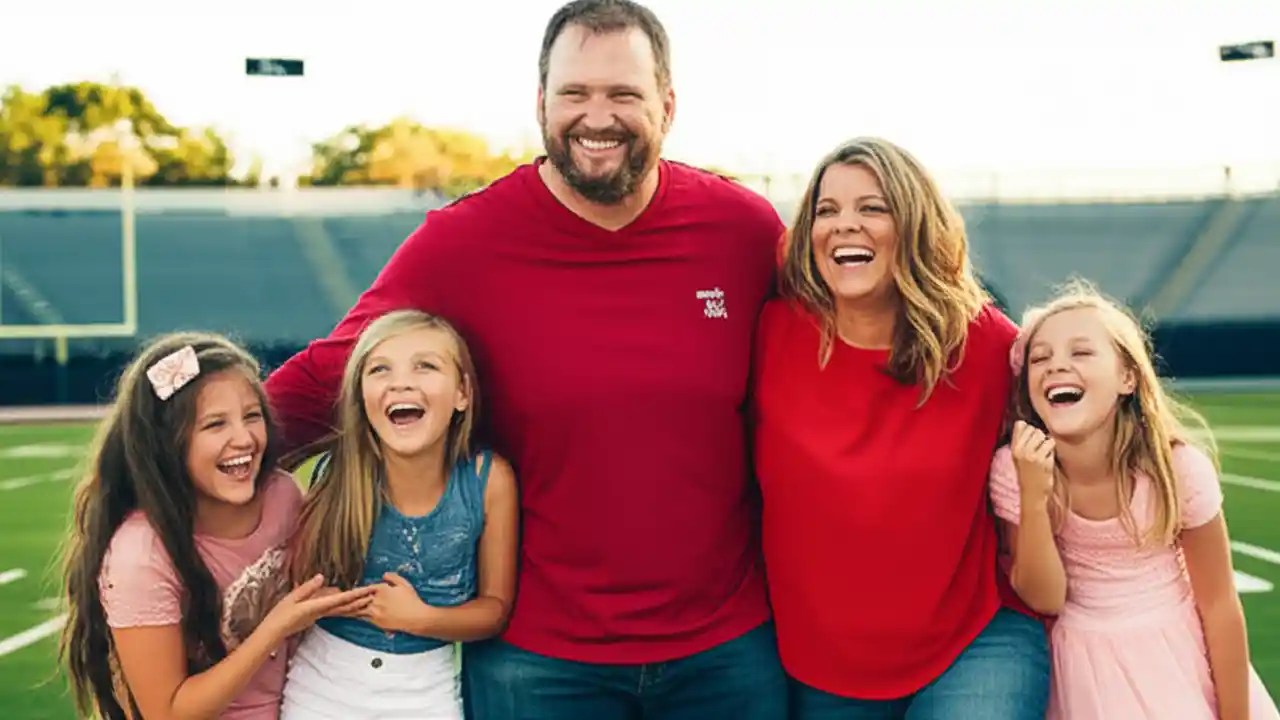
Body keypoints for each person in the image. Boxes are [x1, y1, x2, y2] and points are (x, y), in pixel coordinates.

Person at [262, 0, 788, 717]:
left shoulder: (742, 229)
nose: (596, 116)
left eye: (623, 95)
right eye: (574, 93)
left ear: (667, 104)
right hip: (540, 660)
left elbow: (860, 320)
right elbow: (330, 377)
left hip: (726, 649)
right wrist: (163, 473)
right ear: (541, 103)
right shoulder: (463, 243)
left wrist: (997, 345)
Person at [752, 136, 1050, 718]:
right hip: (820, 666)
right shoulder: (768, 335)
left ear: (913, 223)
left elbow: (1083, 410)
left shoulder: (987, 345)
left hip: (974, 644)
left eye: (872, 207)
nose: (844, 225)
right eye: (827, 210)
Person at [991, 279, 1280, 720]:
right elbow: (1045, 598)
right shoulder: (1016, 468)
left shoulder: (1177, 471)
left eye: (1081, 352)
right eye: (1040, 358)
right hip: (1077, 664)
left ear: (1128, 376)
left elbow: (1219, 604)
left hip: (1173, 654)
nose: (1055, 366)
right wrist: (1034, 498)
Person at [58, 332, 374, 720]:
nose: (243, 438)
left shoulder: (281, 495)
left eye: (252, 416)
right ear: (168, 442)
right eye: (215, 425)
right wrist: (274, 629)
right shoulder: (140, 556)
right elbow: (167, 712)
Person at [280, 309, 518, 719]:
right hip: (323, 685)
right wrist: (317, 600)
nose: (401, 381)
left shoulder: (488, 480)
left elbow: (494, 609)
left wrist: (420, 619)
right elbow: (294, 584)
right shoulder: (331, 475)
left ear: (463, 393)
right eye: (380, 370)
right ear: (361, 397)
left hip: (426, 690)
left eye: (425, 366)